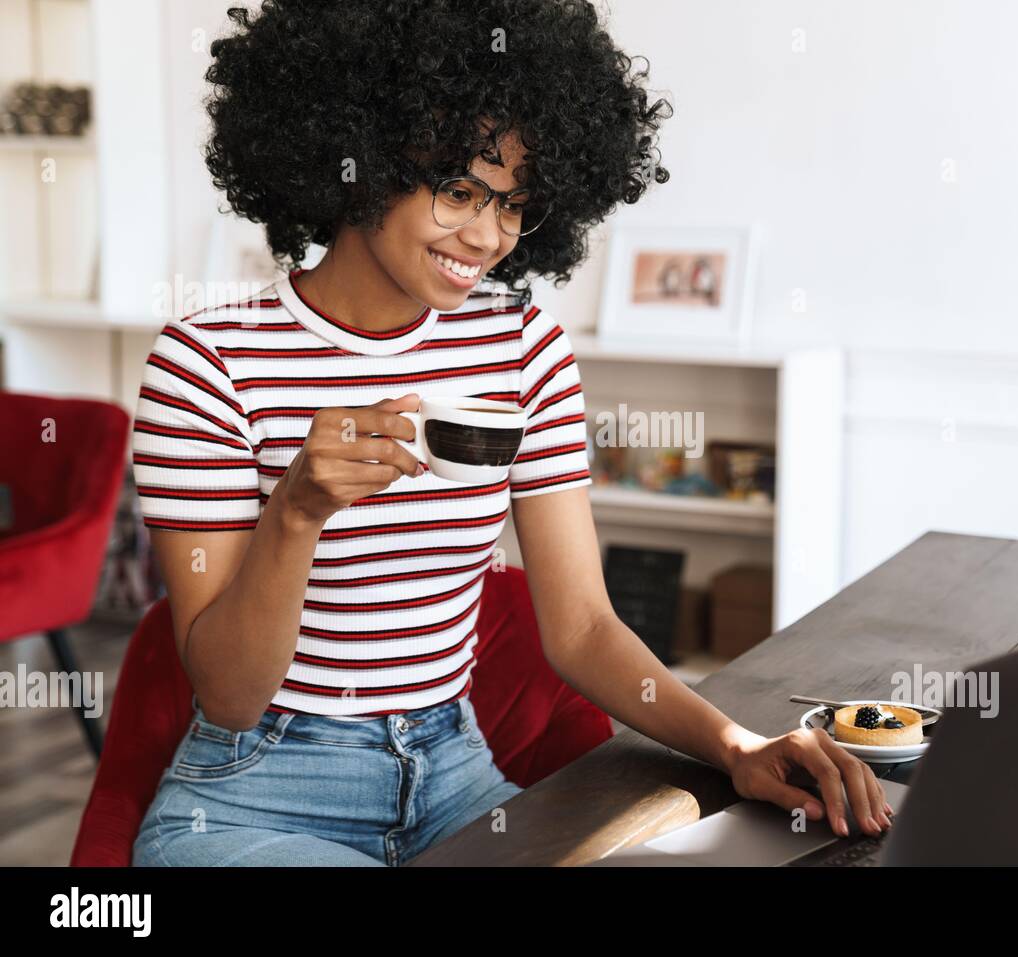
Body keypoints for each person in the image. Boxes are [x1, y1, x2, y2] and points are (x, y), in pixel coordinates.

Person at [131, 0, 891, 867]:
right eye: (458, 190)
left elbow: (582, 628)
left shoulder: (520, 345)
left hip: (453, 771)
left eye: (515, 204)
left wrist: (735, 745)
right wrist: (297, 512)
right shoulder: (208, 362)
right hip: (258, 793)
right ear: (359, 163)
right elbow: (228, 694)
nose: (487, 237)